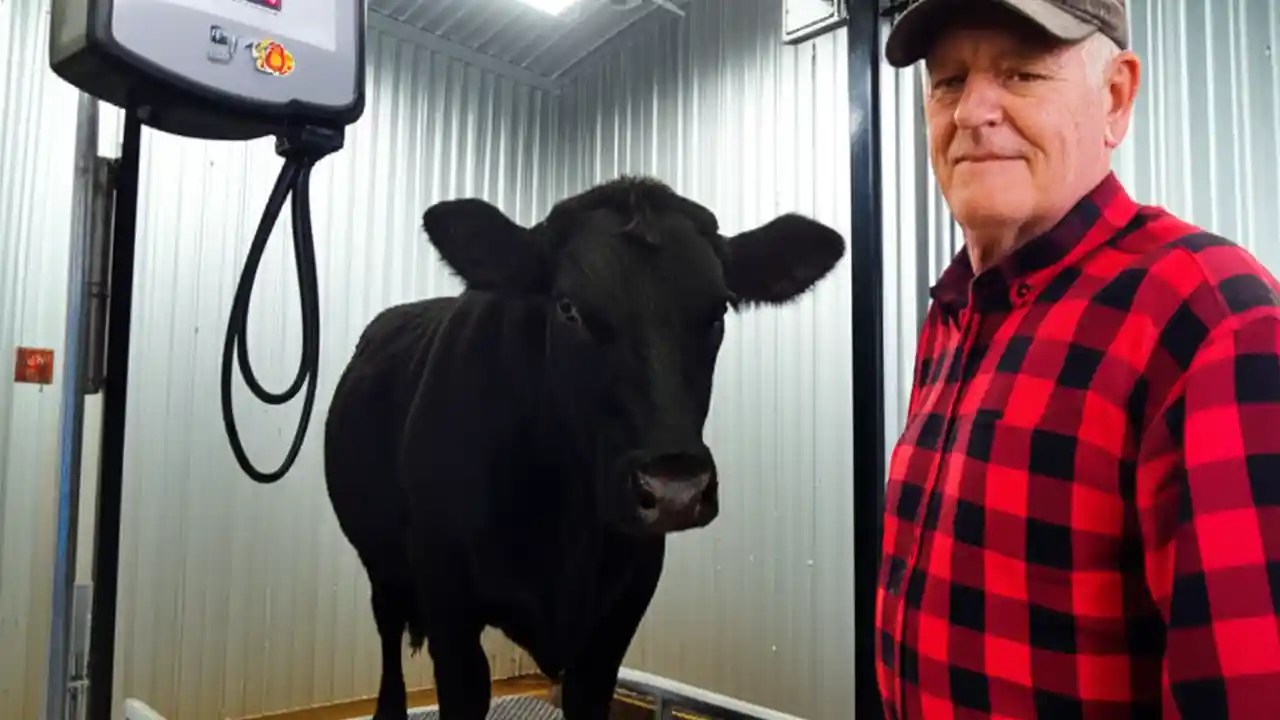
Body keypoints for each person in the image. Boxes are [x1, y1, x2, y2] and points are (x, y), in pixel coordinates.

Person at [876, 0, 1280, 718]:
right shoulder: (955, 316)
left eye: (1023, 73)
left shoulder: (1205, 315)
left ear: (1116, 99)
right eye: (947, 81)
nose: (972, 111)